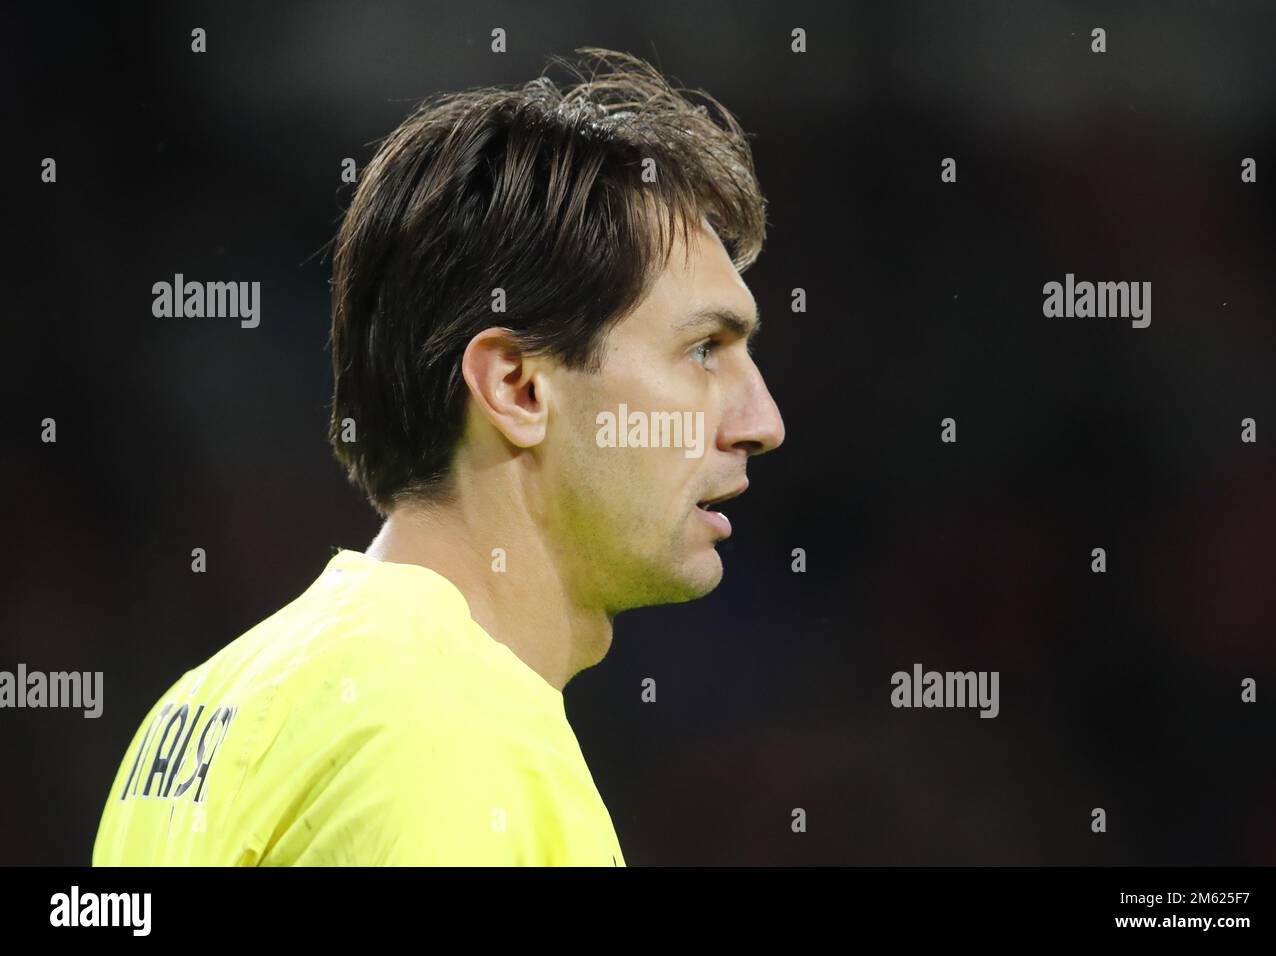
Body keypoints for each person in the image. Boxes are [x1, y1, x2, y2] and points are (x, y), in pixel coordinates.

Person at [92, 48, 784, 866]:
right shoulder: (457, 735)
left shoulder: (200, 707)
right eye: (704, 349)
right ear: (518, 388)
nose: (761, 420)